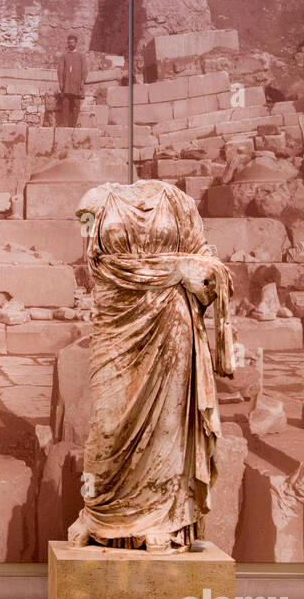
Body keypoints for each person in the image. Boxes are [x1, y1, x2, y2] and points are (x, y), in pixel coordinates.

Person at [67, 180, 236, 552]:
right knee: (108, 424)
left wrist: (200, 273)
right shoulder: (93, 201)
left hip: (171, 325)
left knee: (167, 425)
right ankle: (99, 514)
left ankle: (162, 518)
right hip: (116, 324)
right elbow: (98, 269)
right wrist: (174, 270)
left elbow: (206, 260)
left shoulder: (180, 203)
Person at [56, 34, 86, 128]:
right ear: (67, 43)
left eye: (73, 42)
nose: (71, 44)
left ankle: (73, 124)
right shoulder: (64, 56)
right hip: (67, 84)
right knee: (65, 103)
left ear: (76, 43)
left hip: (77, 84)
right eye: (69, 42)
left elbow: (84, 70)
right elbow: (60, 70)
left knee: (76, 104)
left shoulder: (81, 56)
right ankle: (65, 124)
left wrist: (82, 82)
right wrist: (61, 82)